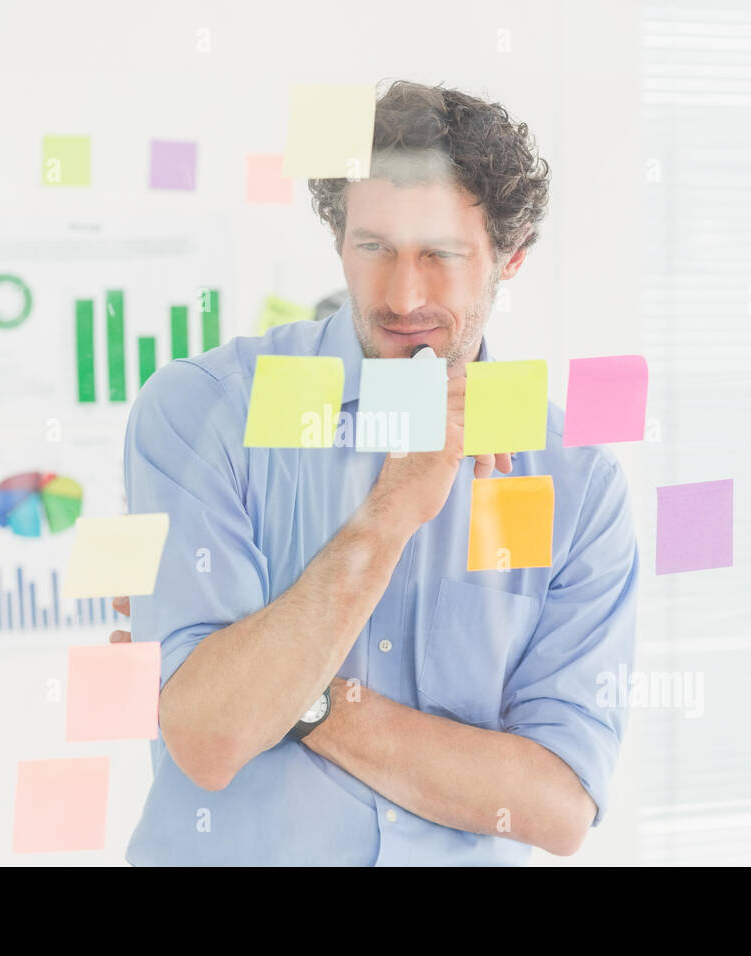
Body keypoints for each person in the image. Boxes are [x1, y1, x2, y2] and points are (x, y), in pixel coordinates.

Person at [110, 79, 639, 865]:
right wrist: (389, 513)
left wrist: (302, 700)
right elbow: (210, 738)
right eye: (374, 248)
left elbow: (556, 805)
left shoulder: (577, 482)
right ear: (337, 241)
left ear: (511, 257)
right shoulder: (202, 413)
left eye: (440, 255)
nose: (402, 295)